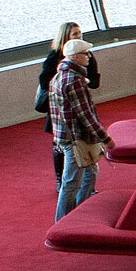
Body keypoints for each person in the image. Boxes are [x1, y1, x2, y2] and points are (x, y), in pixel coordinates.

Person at [50, 38, 109, 221]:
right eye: (85, 54)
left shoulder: (59, 76)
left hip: (66, 136)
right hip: (75, 139)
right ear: (75, 57)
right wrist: (105, 138)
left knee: (90, 172)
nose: (89, 57)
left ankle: (78, 212)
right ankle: (63, 222)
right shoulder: (75, 80)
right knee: (71, 182)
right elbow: (86, 115)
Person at [37, 22, 99, 182]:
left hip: (78, 100)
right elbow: (44, 81)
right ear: (65, 37)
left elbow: (94, 82)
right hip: (58, 104)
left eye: (80, 33)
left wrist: (83, 79)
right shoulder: (54, 56)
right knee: (61, 143)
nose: (79, 37)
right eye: (75, 34)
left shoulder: (87, 55)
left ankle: (84, 182)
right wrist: (67, 82)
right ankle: (60, 179)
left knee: (81, 141)